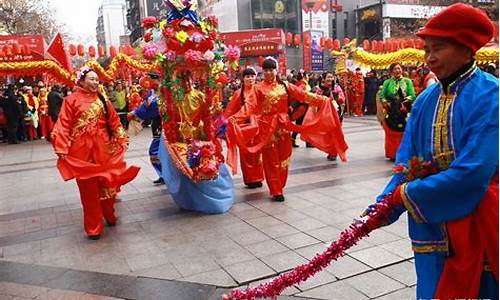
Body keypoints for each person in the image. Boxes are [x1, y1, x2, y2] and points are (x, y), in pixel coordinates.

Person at [364, 3, 498, 299]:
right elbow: (405, 164)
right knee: (432, 288)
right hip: (430, 227)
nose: (430, 58)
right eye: (427, 49)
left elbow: (474, 172)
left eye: (438, 48)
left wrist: (406, 196)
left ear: (466, 49)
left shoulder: (492, 96)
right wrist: (383, 206)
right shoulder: (425, 100)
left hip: (479, 221)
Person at [227, 57, 347, 202]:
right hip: (266, 129)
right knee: (270, 160)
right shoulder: (257, 88)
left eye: (271, 69)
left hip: (284, 127)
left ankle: (280, 185)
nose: (269, 73)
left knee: (284, 158)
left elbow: (303, 95)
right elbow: (248, 107)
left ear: (276, 70)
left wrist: (322, 100)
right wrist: (233, 119)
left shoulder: (285, 85)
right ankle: (275, 190)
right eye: (266, 70)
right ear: (262, 72)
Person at [51, 67, 140, 240]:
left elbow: (113, 121)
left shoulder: (102, 98)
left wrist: (122, 138)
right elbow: (63, 124)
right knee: (88, 189)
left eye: (97, 79)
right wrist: (61, 146)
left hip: (104, 148)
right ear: (82, 81)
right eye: (91, 79)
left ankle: (109, 213)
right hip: (81, 152)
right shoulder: (70, 100)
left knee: (108, 184)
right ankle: (93, 227)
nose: (95, 82)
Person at [224, 67, 264, 189]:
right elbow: (230, 110)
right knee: (246, 154)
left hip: (258, 127)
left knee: (257, 153)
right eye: (247, 76)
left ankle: (258, 177)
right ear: (243, 79)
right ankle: (250, 179)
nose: (250, 78)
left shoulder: (259, 90)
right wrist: (223, 121)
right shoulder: (238, 93)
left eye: (252, 76)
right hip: (244, 128)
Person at [127, 74, 164, 185]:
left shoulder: (166, 91)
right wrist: (136, 113)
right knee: (155, 152)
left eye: (153, 80)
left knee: (156, 151)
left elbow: (154, 109)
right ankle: (163, 175)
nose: (151, 83)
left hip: (167, 125)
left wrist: (136, 113)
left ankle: (166, 175)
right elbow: (145, 107)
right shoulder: (151, 93)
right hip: (157, 125)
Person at [379, 62, 416, 160]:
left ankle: (406, 153)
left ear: (402, 70)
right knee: (391, 132)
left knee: (405, 132)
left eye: (399, 68)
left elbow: (412, 95)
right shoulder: (387, 82)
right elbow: (382, 96)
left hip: (404, 109)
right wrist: (386, 102)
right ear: (391, 71)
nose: (397, 71)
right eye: (395, 69)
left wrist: (404, 102)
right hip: (391, 110)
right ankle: (392, 154)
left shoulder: (407, 81)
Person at [317, 71, 346, 161]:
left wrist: (337, 97)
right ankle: (331, 151)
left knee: (336, 133)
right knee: (328, 134)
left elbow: (342, 99)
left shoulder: (337, 88)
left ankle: (334, 152)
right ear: (324, 79)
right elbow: (316, 99)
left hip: (336, 114)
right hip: (325, 115)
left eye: (331, 77)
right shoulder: (320, 89)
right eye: (328, 77)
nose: (330, 79)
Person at [290, 70, 311, 148]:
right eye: (307, 75)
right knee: (303, 125)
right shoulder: (303, 84)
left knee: (299, 125)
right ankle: (307, 143)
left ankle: (293, 139)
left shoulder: (299, 82)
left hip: (302, 107)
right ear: (305, 76)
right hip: (303, 107)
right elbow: (300, 95)